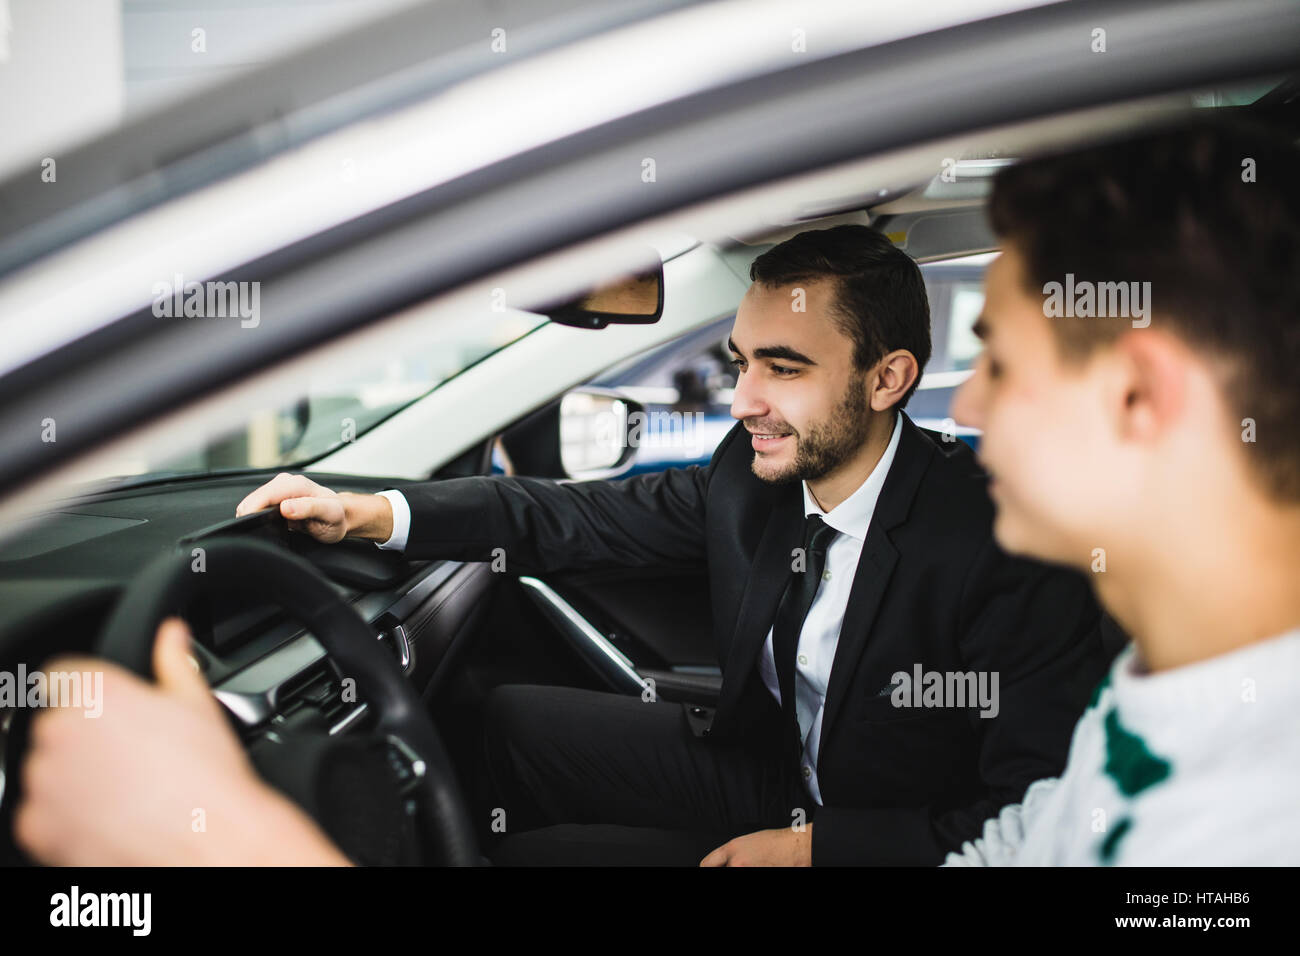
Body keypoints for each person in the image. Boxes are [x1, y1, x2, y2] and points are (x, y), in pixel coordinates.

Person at [16, 227, 1107, 867]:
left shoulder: (1005, 540)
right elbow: (560, 517)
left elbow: (1031, 817)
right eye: (737, 362)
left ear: (888, 379)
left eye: (782, 367)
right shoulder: (752, 479)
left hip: (879, 835)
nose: (744, 401)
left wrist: (823, 849)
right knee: (500, 720)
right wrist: (367, 513)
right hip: (776, 773)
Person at [943, 116, 1300, 865]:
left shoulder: (1255, 828)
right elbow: (1026, 844)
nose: (965, 408)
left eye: (999, 365)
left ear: (1137, 395)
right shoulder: (1169, 672)